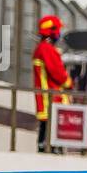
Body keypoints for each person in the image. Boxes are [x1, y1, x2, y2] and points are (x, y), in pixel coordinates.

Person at [32, 15, 72, 152]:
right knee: (51, 127)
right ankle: (51, 148)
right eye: (58, 30)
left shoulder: (41, 49)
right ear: (52, 31)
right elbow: (59, 74)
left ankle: (45, 146)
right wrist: (69, 82)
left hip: (46, 97)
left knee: (45, 126)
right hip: (51, 98)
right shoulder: (47, 50)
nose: (59, 34)